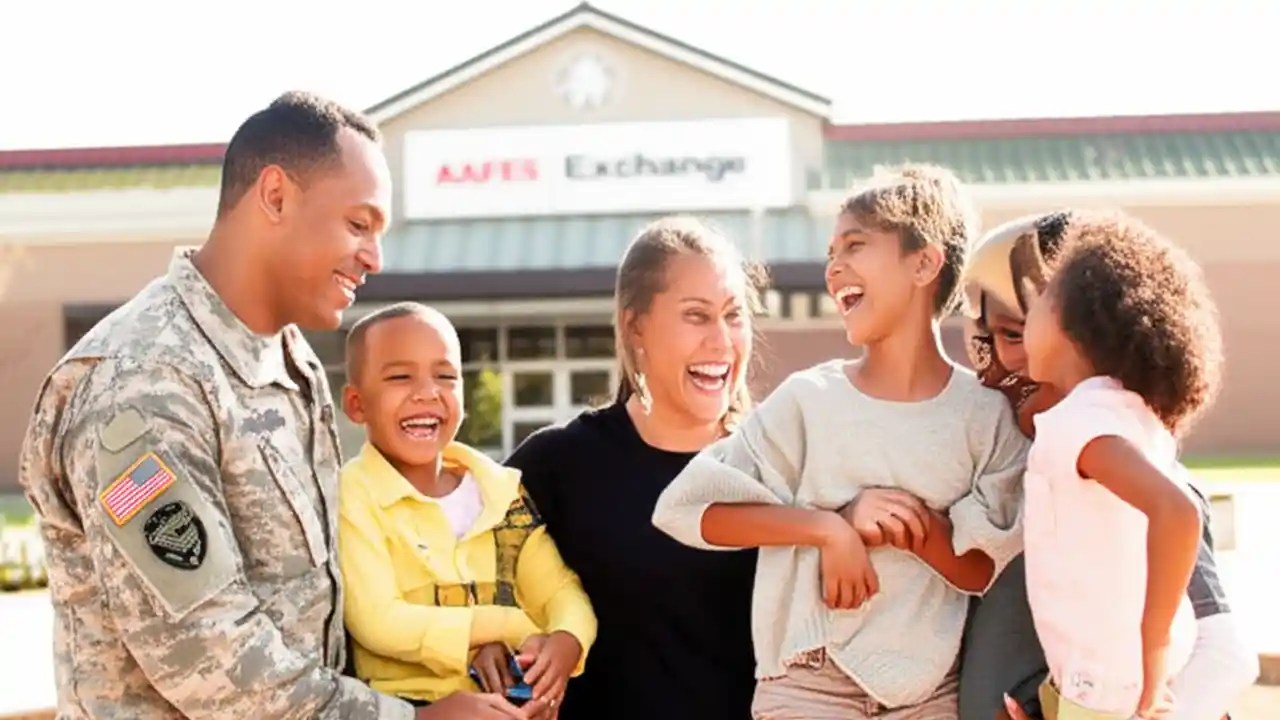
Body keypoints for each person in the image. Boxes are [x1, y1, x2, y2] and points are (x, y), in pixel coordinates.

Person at [17, 92, 536, 720]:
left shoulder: (291, 363)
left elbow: (322, 607)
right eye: (358, 224)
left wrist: (461, 641)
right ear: (275, 196)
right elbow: (209, 659)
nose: (375, 257)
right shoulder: (143, 380)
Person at [652, 164, 1028, 720]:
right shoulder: (809, 401)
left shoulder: (986, 415)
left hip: (928, 696)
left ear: (924, 263)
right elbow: (684, 510)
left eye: (855, 246)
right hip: (808, 688)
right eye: (831, 253)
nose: (833, 267)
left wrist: (915, 530)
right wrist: (830, 528)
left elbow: (980, 568)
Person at [959, 212, 1258, 720]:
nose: (1006, 362)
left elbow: (1223, 655)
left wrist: (1149, 682)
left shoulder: (1111, 447)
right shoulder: (1054, 441)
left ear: (1082, 330)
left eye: (1018, 330)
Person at [503, 216, 764, 720]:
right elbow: (457, 575)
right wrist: (502, 650)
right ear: (634, 326)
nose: (721, 341)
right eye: (696, 316)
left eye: (734, 315)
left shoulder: (780, 463)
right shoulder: (558, 465)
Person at [337, 302, 597, 709]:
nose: (428, 392)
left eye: (445, 376)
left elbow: (560, 590)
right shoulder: (353, 493)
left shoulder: (498, 492)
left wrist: (566, 641)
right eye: (400, 377)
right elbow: (377, 621)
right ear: (357, 404)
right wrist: (504, 628)